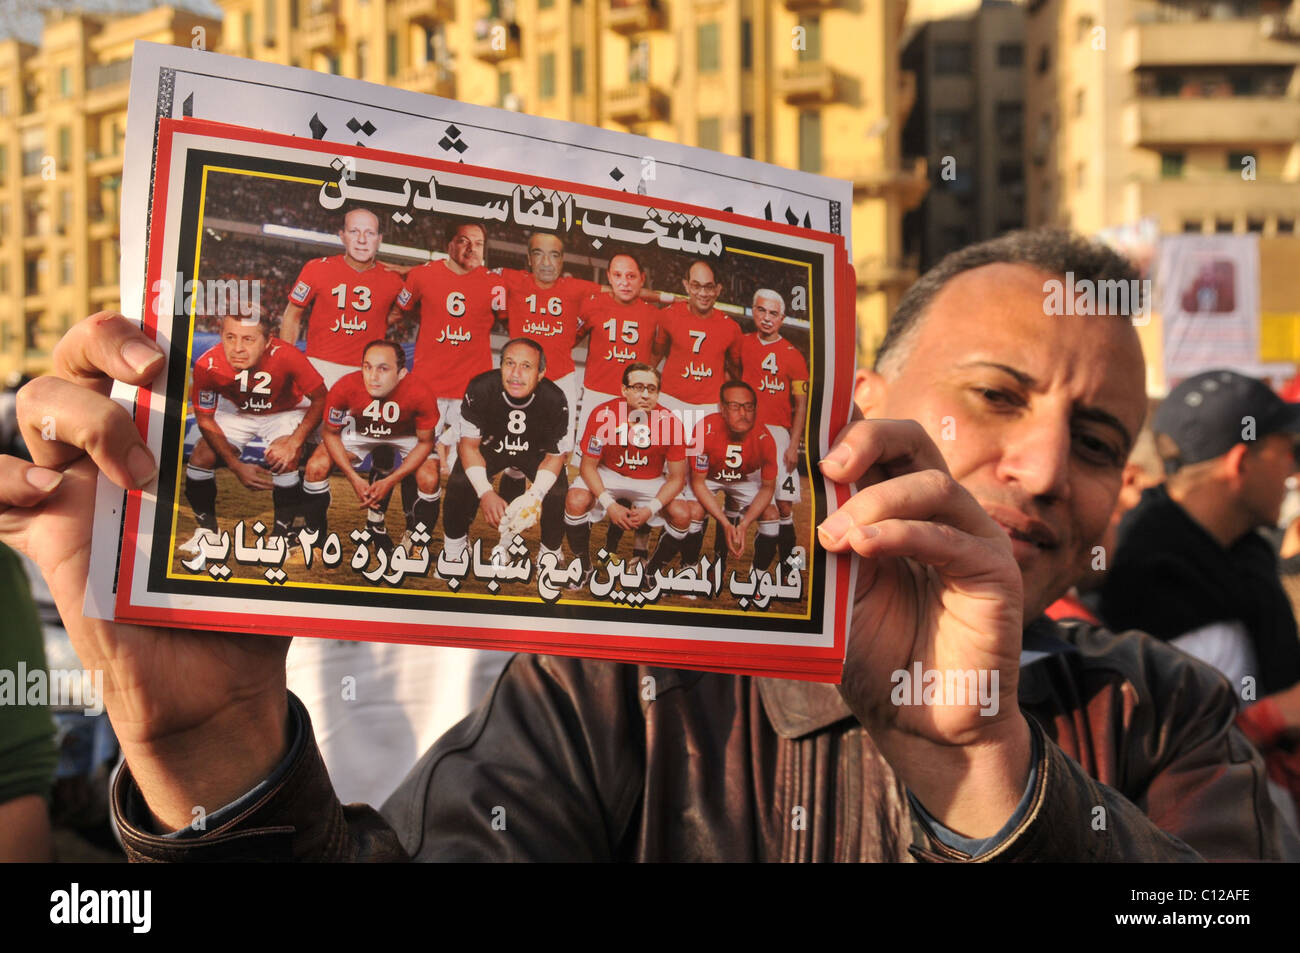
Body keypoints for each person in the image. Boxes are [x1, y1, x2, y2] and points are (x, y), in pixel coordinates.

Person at [6, 229, 1296, 861]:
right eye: (999, 396)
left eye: (1094, 439)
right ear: (851, 416)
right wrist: (215, 758)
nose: (1036, 470)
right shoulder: (615, 687)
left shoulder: (1161, 712)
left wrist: (983, 777)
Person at [1098, 369, 1300, 821]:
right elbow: (1147, 745)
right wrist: (1273, 716)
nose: (1293, 471)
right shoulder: (1148, 572)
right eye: (1288, 452)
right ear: (1240, 462)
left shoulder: (1241, 549)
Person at [179, 313, 326, 557]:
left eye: (248, 339)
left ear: (268, 341)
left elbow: (321, 397)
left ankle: (280, 537)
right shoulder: (209, 364)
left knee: (283, 456)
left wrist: (294, 441)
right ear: (221, 336)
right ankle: (207, 533)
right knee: (200, 457)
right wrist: (236, 466)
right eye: (230, 337)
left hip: (283, 411)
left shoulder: (287, 355)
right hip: (238, 411)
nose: (237, 348)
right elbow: (205, 418)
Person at [300, 339, 440, 552]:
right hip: (359, 431)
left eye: (383, 369)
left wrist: (391, 480)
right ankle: (315, 541)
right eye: (367, 367)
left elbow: (424, 442)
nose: (373, 376)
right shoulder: (346, 386)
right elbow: (330, 433)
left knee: (429, 478)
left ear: (401, 373)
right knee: (315, 467)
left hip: (405, 434)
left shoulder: (420, 392)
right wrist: (353, 477)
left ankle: (417, 541)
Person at [440, 338, 570, 566]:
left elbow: (554, 456)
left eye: (526, 366)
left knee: (558, 491)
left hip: (533, 452)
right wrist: (485, 492)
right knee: (459, 481)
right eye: (509, 363)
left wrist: (535, 496)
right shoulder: (480, 389)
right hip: (491, 448)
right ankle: (455, 548)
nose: (516, 373)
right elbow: (469, 446)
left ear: (541, 373)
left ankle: (549, 553)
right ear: (500, 367)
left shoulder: (554, 399)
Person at [562, 363, 691, 582]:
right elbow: (587, 466)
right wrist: (610, 504)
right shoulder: (604, 413)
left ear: (658, 393)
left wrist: (650, 509)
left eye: (652, 389)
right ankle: (584, 567)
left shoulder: (671, 422)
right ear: (624, 390)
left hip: (650, 480)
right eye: (638, 387)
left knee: (682, 514)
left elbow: (677, 478)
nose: (645, 394)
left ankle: (651, 571)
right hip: (608, 473)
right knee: (575, 500)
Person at [394, 222, 502, 473]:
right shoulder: (422, 275)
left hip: (472, 389)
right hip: (429, 384)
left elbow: (505, 316)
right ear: (449, 244)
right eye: (464, 241)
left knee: (465, 465)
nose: (471, 248)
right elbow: (402, 310)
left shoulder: (496, 284)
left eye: (478, 243)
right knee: (418, 460)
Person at [496, 232, 603, 457]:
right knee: (513, 448)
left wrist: (672, 298)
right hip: (520, 379)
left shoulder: (577, 288)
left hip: (561, 379)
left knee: (561, 448)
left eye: (553, 256)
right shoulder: (510, 280)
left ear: (562, 260)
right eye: (539, 254)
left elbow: (621, 293)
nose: (546, 263)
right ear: (529, 258)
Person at [279, 207, 407, 388]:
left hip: (364, 372)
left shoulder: (393, 280)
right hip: (318, 366)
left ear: (379, 240)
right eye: (354, 232)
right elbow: (292, 314)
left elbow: (406, 310)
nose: (362, 240)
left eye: (369, 233)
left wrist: (410, 271)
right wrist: (287, 363)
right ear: (342, 235)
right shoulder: (317, 268)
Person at [739, 288, 808, 573]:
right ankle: (758, 569)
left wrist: (793, 445)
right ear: (753, 311)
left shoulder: (793, 356)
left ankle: (791, 567)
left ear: (782, 318)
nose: (767, 318)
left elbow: (801, 406)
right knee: (757, 504)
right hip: (748, 434)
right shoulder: (741, 344)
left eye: (773, 313)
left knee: (784, 507)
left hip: (780, 437)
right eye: (761, 310)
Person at [681, 380, 779, 579]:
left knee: (771, 514)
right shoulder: (704, 429)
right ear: (722, 409)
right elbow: (698, 482)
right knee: (694, 512)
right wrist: (726, 523)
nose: (743, 413)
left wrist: (744, 523)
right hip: (707, 475)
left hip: (744, 478)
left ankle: (758, 578)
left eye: (749, 407)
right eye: (735, 407)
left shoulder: (765, 438)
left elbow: (767, 489)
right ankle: (688, 569)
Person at [571, 252, 661, 468]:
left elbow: (658, 351)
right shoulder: (592, 304)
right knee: (586, 461)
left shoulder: (654, 315)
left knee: (627, 462)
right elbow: (569, 339)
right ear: (609, 277)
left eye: (631, 276)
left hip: (634, 399)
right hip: (597, 395)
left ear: (642, 279)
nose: (624, 282)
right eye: (618, 275)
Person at [652, 258, 742, 442]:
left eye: (709, 287)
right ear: (686, 286)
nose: (702, 293)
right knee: (664, 466)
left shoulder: (731, 328)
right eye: (696, 286)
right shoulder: (668, 315)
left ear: (718, 289)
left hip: (708, 408)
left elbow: (736, 372)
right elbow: (654, 357)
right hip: (670, 401)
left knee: (699, 468)